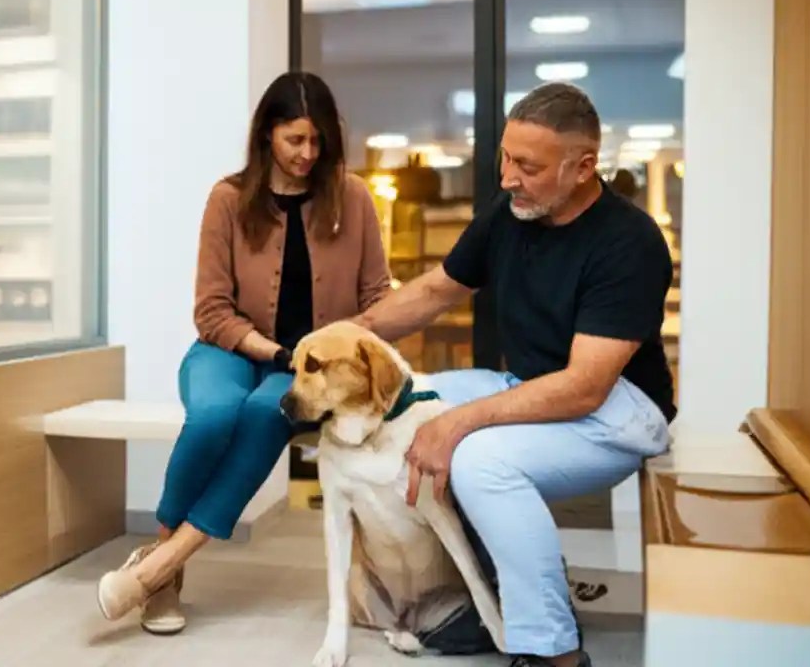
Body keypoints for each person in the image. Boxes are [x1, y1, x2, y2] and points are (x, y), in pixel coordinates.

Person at [353, 82, 674, 667]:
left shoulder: (629, 243)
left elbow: (584, 386)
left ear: (582, 167)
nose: (506, 177)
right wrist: (343, 341)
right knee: (410, 404)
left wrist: (457, 427)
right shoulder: (511, 214)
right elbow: (434, 291)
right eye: (506, 157)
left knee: (479, 461)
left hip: (621, 410)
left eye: (527, 165)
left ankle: (554, 650)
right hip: (532, 383)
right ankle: (491, 600)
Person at [96, 71, 392, 635]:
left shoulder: (351, 197)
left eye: (317, 140)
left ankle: (158, 568)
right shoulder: (228, 199)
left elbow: (377, 295)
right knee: (213, 416)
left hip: (308, 368)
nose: (308, 154)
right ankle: (167, 567)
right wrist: (277, 353)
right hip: (227, 349)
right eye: (294, 140)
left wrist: (355, 355)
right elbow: (211, 311)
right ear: (267, 136)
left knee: (264, 411)